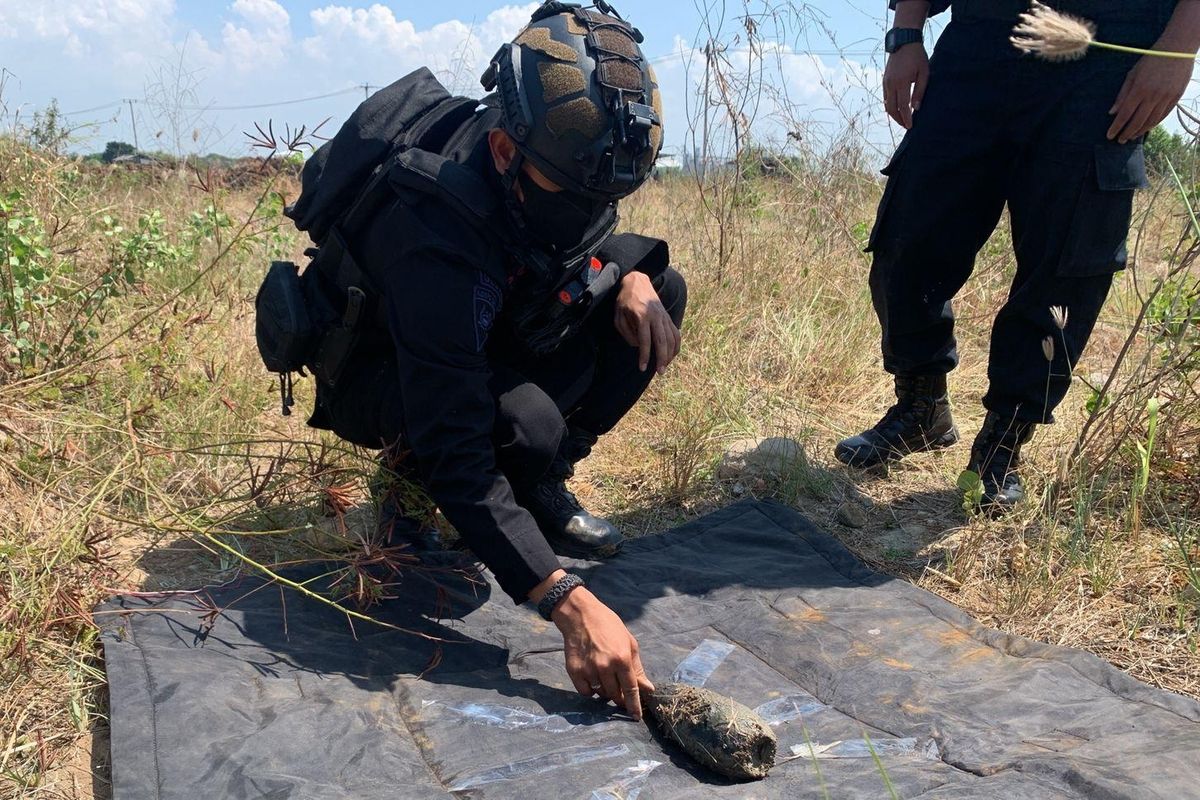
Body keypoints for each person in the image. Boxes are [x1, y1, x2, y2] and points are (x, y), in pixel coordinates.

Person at [277, 2, 683, 720]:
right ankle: (404, 487)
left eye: (609, 196)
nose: (592, 208)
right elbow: (460, 445)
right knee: (520, 427)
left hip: (483, 323)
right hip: (385, 370)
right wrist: (565, 601)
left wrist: (634, 277)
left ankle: (540, 487)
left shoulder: (554, 161)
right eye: (577, 195)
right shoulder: (435, 228)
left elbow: (576, 247)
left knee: (658, 293)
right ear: (503, 152)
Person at [837, 0, 1198, 513]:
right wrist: (906, 33)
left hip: (1109, 43)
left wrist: (1179, 47)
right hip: (982, 33)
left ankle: (1002, 445)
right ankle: (922, 409)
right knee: (908, 236)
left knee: (1064, 268)